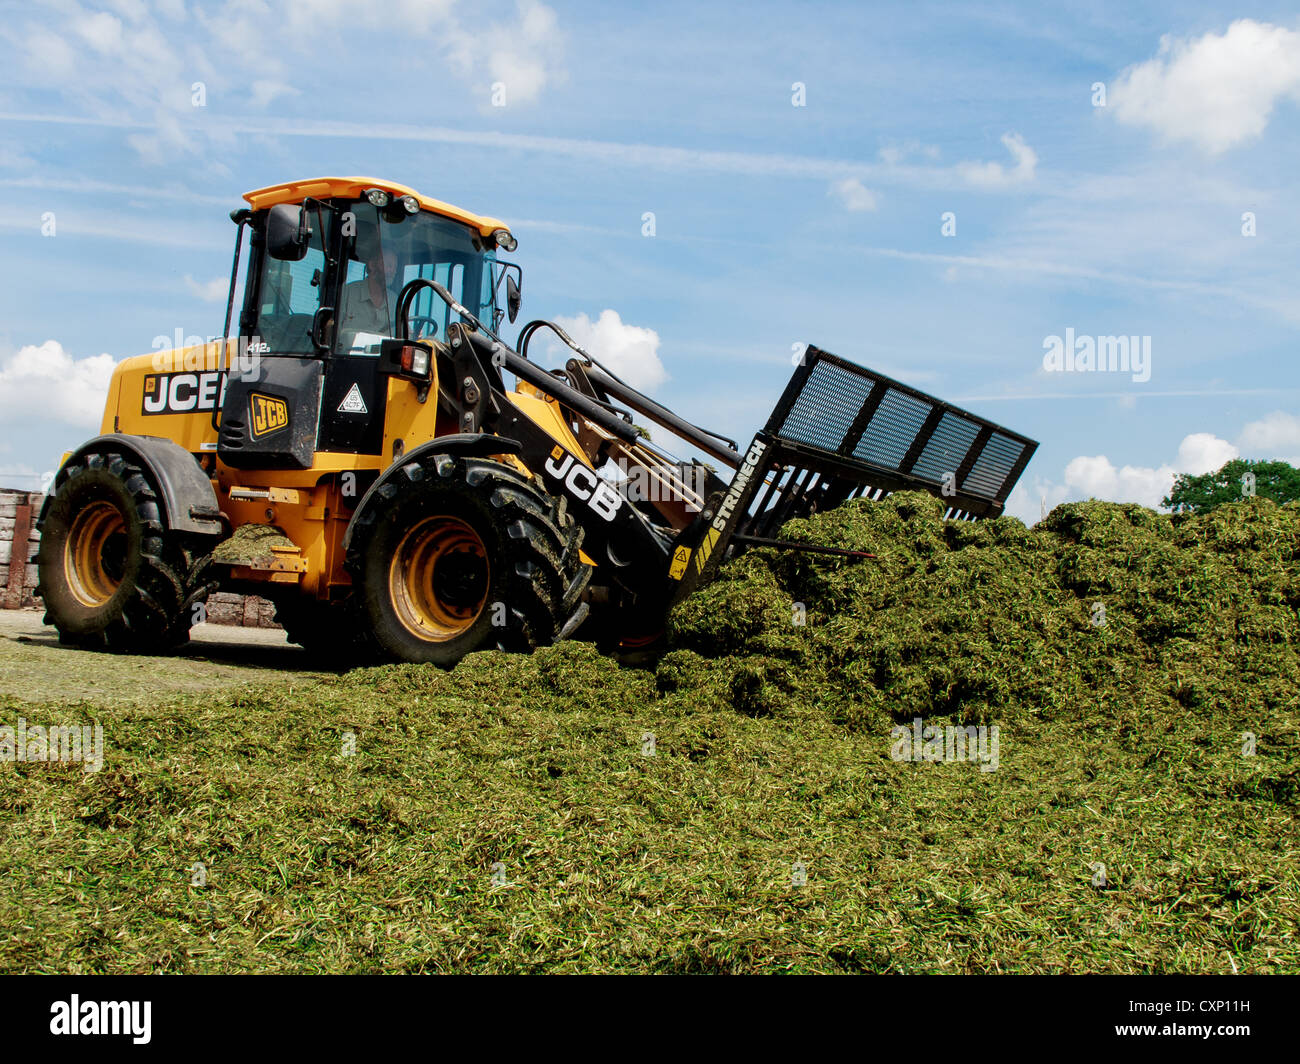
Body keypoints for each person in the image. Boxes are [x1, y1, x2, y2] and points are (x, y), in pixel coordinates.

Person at [337, 219, 399, 353]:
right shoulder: (348, 293)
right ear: (372, 265)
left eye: (394, 267)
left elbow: (401, 337)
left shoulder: (395, 302)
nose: (392, 271)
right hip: (345, 363)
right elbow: (331, 333)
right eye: (388, 265)